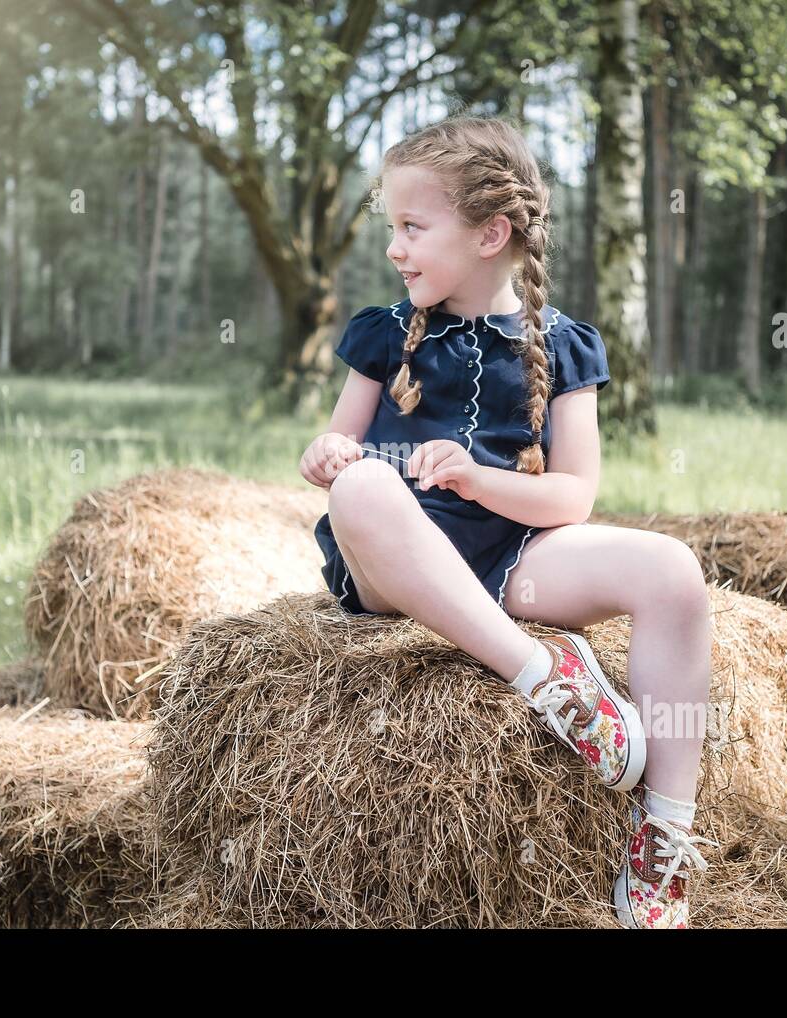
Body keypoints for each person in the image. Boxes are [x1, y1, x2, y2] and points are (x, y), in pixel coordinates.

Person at [298, 114, 717, 929]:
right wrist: (325, 453)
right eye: (393, 228)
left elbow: (572, 498)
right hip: (399, 569)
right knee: (359, 493)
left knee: (673, 572)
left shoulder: (565, 346)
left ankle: (665, 833)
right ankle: (542, 678)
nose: (395, 247)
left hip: (514, 556)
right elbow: (339, 453)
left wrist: (479, 479)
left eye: (413, 227)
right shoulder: (384, 334)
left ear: (492, 232)